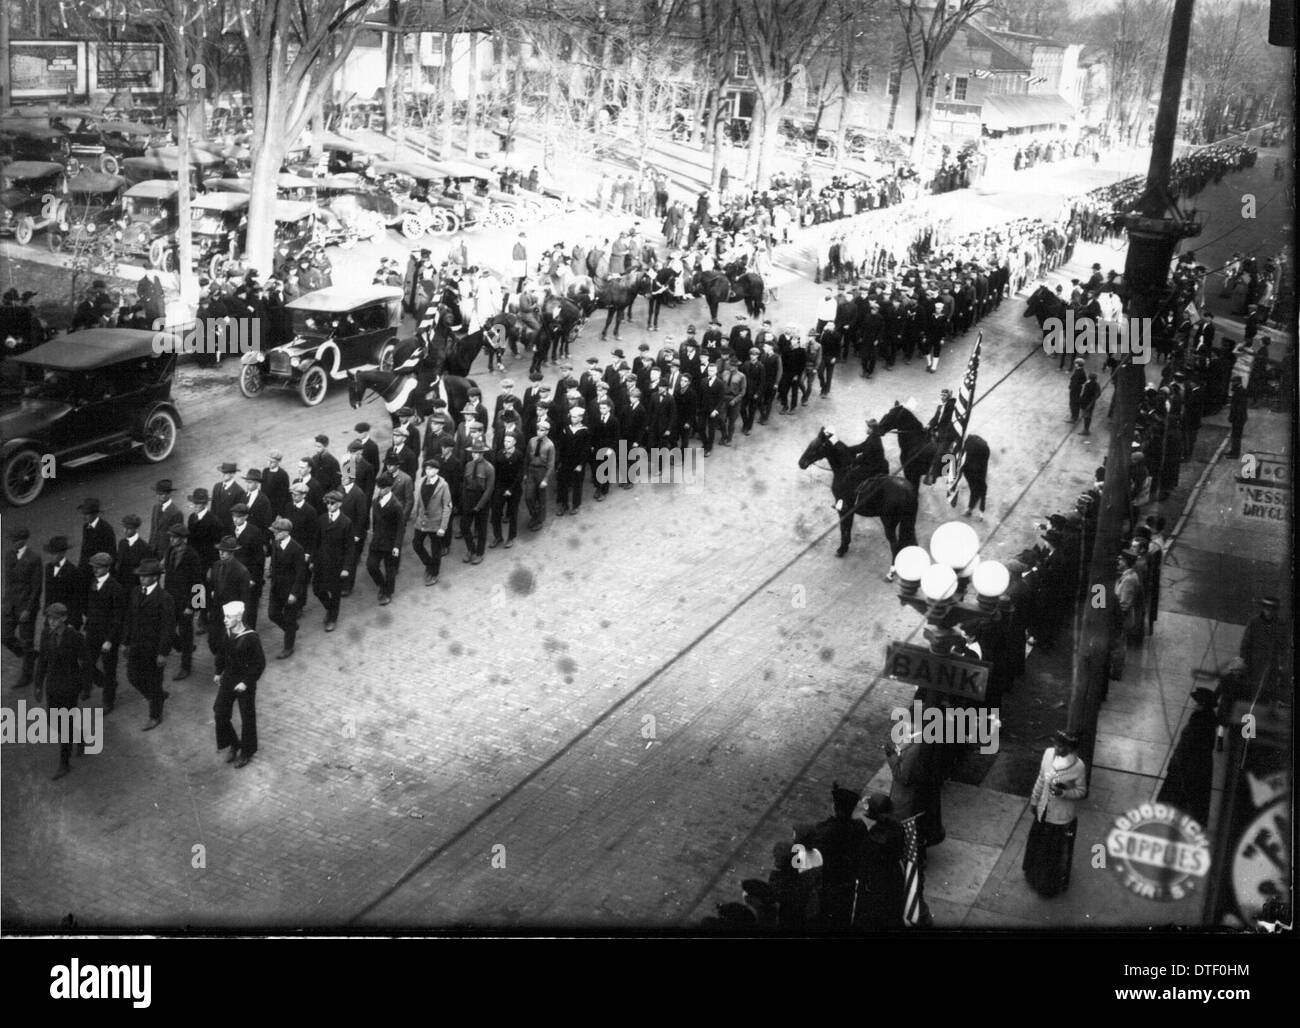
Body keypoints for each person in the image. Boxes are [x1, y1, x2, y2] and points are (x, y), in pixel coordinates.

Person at [1023, 729, 1088, 897]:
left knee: (1052, 852)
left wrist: (1064, 793)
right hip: (1043, 810)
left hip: (1060, 817)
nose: (1058, 748)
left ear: (1071, 748)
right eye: (1057, 744)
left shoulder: (1078, 766)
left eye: (1062, 746)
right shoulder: (1048, 754)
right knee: (1038, 845)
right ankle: (1033, 875)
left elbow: (1081, 791)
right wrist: (1034, 800)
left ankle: (1048, 887)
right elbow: (1041, 778)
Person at [33, 603, 90, 780]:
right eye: (49, 618)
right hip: (53, 685)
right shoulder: (45, 635)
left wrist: (86, 687)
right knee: (52, 720)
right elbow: (42, 660)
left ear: (64, 618)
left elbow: (86, 662)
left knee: (64, 723)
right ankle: (79, 737)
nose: (51, 621)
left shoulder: (75, 637)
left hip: (70, 686)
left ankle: (64, 763)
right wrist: (38, 685)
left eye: (55, 618)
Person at [122, 557, 175, 731]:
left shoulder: (164, 598)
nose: (141, 578)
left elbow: (168, 627)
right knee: (132, 676)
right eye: (140, 575)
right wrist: (126, 642)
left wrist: (163, 652)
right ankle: (157, 696)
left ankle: (155, 715)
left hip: (154, 648)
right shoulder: (136, 592)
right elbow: (129, 618)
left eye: (145, 576)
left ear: (155, 577)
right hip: (137, 645)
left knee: (154, 681)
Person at [212, 601, 265, 770]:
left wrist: (246, 682)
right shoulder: (226, 632)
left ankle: (247, 752)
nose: (225, 620)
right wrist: (218, 672)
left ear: (239, 617)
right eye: (225, 616)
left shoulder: (251, 637)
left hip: (245, 682)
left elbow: (259, 663)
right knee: (219, 711)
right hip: (229, 678)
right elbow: (221, 653)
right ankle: (234, 743)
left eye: (228, 617)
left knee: (247, 717)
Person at [1156, 687, 1218, 827]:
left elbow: (1187, 745)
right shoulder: (1207, 720)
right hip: (1196, 766)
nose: (1195, 705)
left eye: (1198, 702)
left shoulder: (1199, 722)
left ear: (1203, 705)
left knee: (1178, 795)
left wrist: (1176, 762)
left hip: (1188, 766)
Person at [82, 552, 126, 712]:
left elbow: (118, 617)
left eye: (98, 567)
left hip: (108, 635)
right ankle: (94, 686)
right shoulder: (93, 582)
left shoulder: (115, 588)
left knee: (109, 669)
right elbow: (90, 605)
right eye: (93, 567)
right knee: (86, 662)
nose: (94, 570)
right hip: (92, 631)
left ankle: (108, 700)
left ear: (108, 568)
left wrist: (110, 640)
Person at [267, 517, 308, 658]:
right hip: (276, 588)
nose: (274, 534)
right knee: (272, 614)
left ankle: (288, 648)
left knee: (290, 618)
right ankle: (291, 629)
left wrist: (294, 593)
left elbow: (301, 574)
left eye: (277, 531)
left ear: (286, 532)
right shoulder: (275, 543)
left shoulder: (297, 549)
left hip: (290, 591)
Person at [314, 492, 354, 632]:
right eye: (327, 503)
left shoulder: (346, 522)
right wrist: (314, 560)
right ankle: (330, 609)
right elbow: (316, 541)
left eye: (332, 503)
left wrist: (346, 568)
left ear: (339, 504)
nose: (329, 506)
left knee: (335, 593)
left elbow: (350, 548)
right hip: (321, 562)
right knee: (317, 590)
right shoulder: (322, 519)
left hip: (337, 564)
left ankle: (332, 619)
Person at [367, 474, 404, 604]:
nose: (380, 490)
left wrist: (397, 546)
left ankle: (388, 593)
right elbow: (375, 523)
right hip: (377, 541)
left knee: (390, 570)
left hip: (390, 543)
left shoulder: (396, 505)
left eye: (382, 488)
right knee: (371, 566)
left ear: (389, 488)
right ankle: (382, 585)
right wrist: (372, 535)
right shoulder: (376, 502)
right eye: (379, 488)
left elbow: (400, 528)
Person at [460, 439, 495, 564]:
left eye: (477, 453)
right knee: (464, 527)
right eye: (473, 452)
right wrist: (464, 500)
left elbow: (489, 489)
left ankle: (480, 553)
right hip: (469, 498)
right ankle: (471, 549)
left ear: (482, 454)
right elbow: (464, 484)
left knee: (481, 529)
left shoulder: (489, 468)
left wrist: (479, 505)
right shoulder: (468, 465)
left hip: (482, 501)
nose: (474, 455)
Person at [1226, 376, 1248, 457]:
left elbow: (1239, 407)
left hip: (1239, 418)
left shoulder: (1240, 391)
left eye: (1233, 382)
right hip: (1238, 417)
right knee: (1234, 435)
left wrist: (1233, 417)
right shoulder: (1239, 390)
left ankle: (1235, 453)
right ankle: (1233, 451)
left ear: (1238, 382)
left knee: (1236, 436)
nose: (1232, 383)